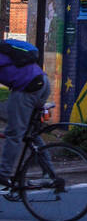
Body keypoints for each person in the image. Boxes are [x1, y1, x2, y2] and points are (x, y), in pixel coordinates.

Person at [0, 40, 51, 191]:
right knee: (31, 133)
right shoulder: (5, 50)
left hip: (27, 88)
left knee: (14, 133)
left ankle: (4, 174)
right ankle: (49, 174)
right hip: (42, 82)